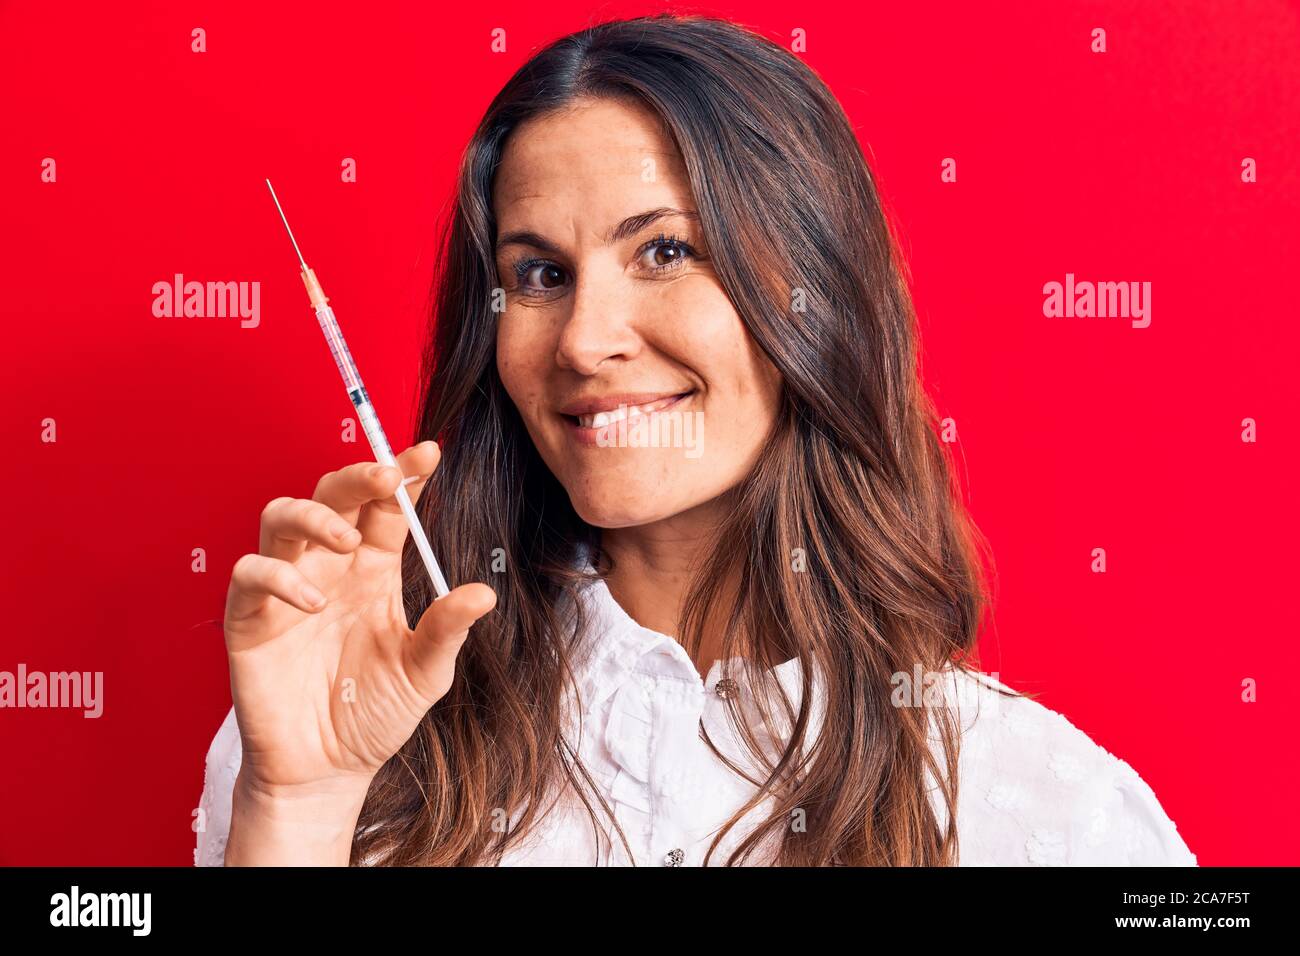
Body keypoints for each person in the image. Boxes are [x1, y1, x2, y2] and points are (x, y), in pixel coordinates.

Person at [195, 14, 1196, 867]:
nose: (585, 341)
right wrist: (297, 806)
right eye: (539, 275)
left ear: (815, 295)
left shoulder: (1044, 811)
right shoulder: (344, 732)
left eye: (664, 251)